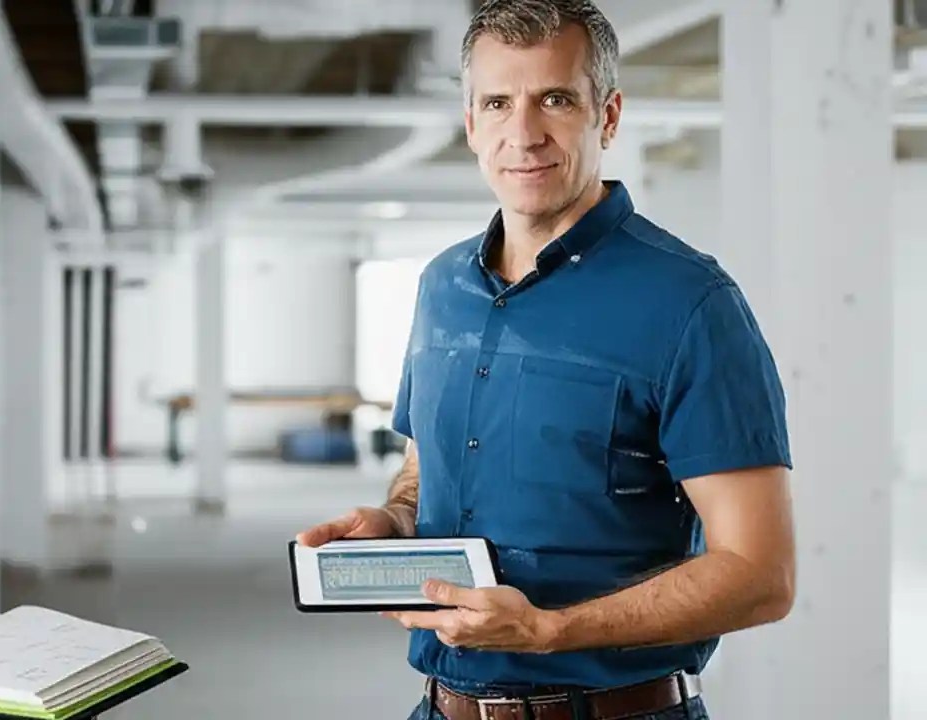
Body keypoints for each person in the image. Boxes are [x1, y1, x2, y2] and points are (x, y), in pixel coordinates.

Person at [296, 1, 796, 718]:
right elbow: (425, 463)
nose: (522, 134)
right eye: (498, 102)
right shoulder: (442, 286)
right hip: (440, 706)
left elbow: (760, 573)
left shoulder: (691, 304)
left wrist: (550, 631)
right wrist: (396, 521)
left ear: (609, 116)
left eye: (555, 99)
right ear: (471, 123)